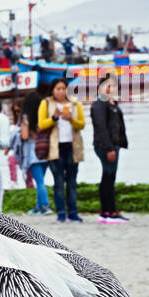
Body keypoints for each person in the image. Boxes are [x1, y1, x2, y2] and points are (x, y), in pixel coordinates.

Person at [38, 77, 86, 222]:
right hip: (54, 148)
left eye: (63, 88)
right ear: (53, 90)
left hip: (72, 147)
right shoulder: (46, 103)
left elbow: (82, 125)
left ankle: (73, 212)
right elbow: (41, 124)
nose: (61, 91)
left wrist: (71, 119)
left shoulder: (75, 104)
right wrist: (54, 118)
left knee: (72, 181)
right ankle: (60, 213)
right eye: (58, 89)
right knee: (58, 181)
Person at [91, 70, 129, 223]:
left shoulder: (111, 103)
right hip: (105, 146)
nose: (110, 88)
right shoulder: (99, 104)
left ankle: (109, 209)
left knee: (110, 177)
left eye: (113, 86)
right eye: (107, 85)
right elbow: (101, 128)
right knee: (107, 176)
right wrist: (109, 149)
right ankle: (107, 211)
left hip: (115, 145)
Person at [17, 91, 51, 214]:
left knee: (39, 181)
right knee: (40, 180)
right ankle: (38, 206)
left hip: (33, 153)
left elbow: (24, 136)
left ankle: (45, 206)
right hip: (46, 150)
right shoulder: (44, 114)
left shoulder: (26, 116)